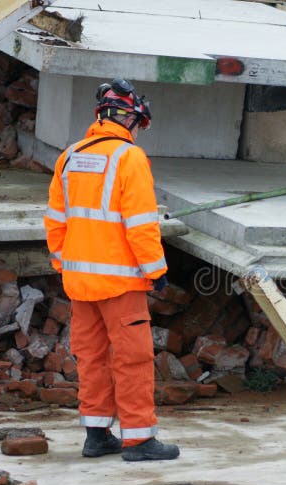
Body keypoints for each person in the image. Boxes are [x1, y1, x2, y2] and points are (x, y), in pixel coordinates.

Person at [43, 78, 179, 461]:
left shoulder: (69, 156)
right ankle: (139, 440)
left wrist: (66, 266)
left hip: (80, 284)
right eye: (140, 125)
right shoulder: (129, 158)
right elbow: (140, 225)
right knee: (132, 360)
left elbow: (55, 222)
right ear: (130, 119)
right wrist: (156, 271)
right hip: (121, 284)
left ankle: (97, 435)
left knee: (91, 359)